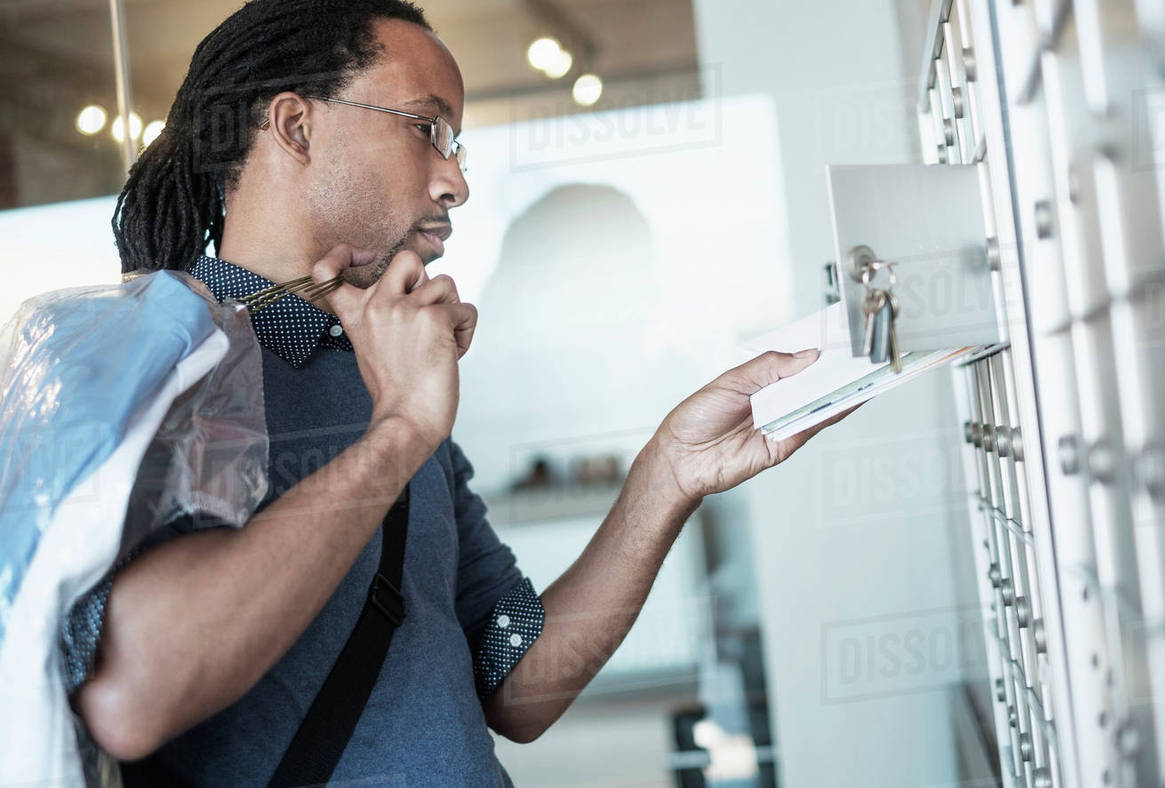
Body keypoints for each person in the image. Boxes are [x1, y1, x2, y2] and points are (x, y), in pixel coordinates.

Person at [65, 1, 848, 784]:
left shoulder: (380, 364)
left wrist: (668, 474)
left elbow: (515, 682)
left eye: (457, 143)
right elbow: (134, 696)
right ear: (297, 127)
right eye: (425, 128)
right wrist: (402, 428)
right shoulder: (156, 365)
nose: (456, 182)